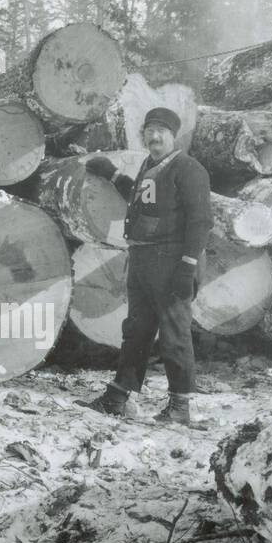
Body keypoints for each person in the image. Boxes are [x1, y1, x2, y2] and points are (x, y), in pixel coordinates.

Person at [76, 107, 213, 425]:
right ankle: (119, 396)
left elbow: (201, 220)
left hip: (172, 260)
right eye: (149, 131)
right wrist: (112, 175)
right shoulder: (150, 167)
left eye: (161, 131)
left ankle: (180, 405)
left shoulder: (188, 169)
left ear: (173, 135)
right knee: (136, 330)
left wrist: (188, 265)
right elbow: (144, 202)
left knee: (174, 331)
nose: (154, 137)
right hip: (143, 259)